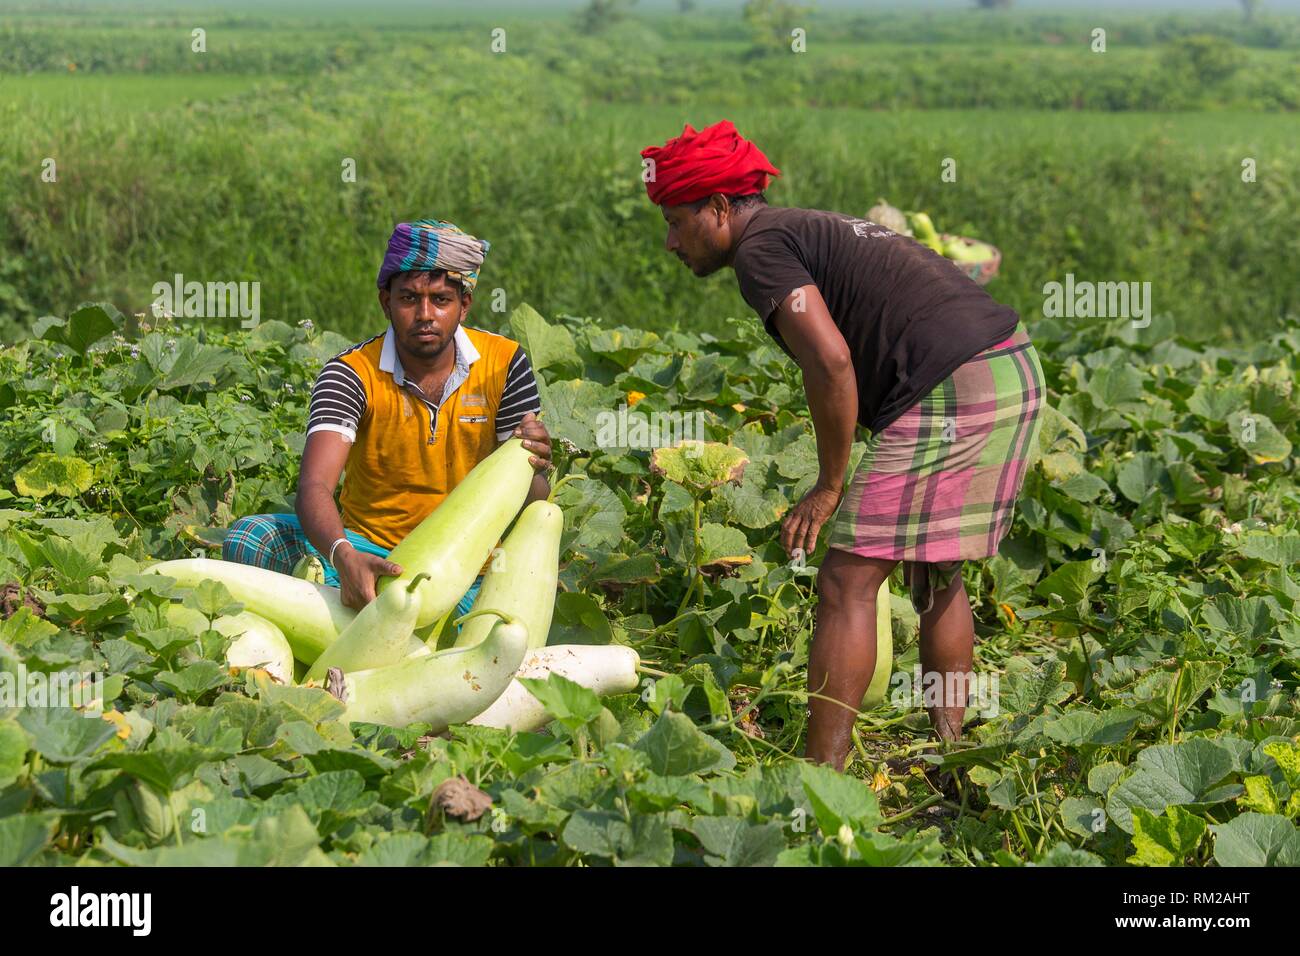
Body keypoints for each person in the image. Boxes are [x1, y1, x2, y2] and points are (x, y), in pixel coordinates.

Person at [640, 121, 1045, 770]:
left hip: (953, 386)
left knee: (845, 582)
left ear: (719, 208)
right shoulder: (799, 227)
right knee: (935, 571)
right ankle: (950, 752)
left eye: (675, 221)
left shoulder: (761, 251)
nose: (669, 241)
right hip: (1009, 368)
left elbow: (829, 362)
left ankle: (821, 781)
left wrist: (831, 484)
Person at [223, 218, 552, 625]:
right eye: (409, 298)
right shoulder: (351, 373)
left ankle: (348, 621)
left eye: (441, 300)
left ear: (464, 305)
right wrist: (343, 555)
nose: (425, 314)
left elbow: (532, 499)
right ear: (386, 302)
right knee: (249, 540)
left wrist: (534, 461)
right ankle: (361, 599)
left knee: (483, 615)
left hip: (468, 569)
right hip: (367, 548)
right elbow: (314, 485)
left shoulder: (505, 363)